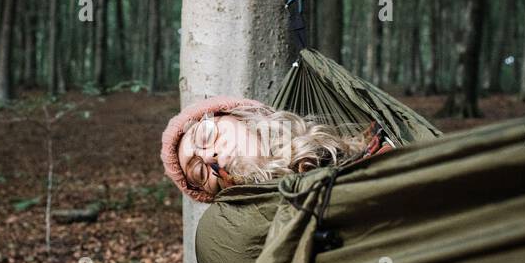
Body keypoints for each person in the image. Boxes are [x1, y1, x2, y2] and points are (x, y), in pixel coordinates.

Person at [160, 95, 395, 203]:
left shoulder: (369, 147)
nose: (210, 155)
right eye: (199, 173)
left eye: (206, 135)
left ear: (238, 116)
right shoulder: (238, 231)